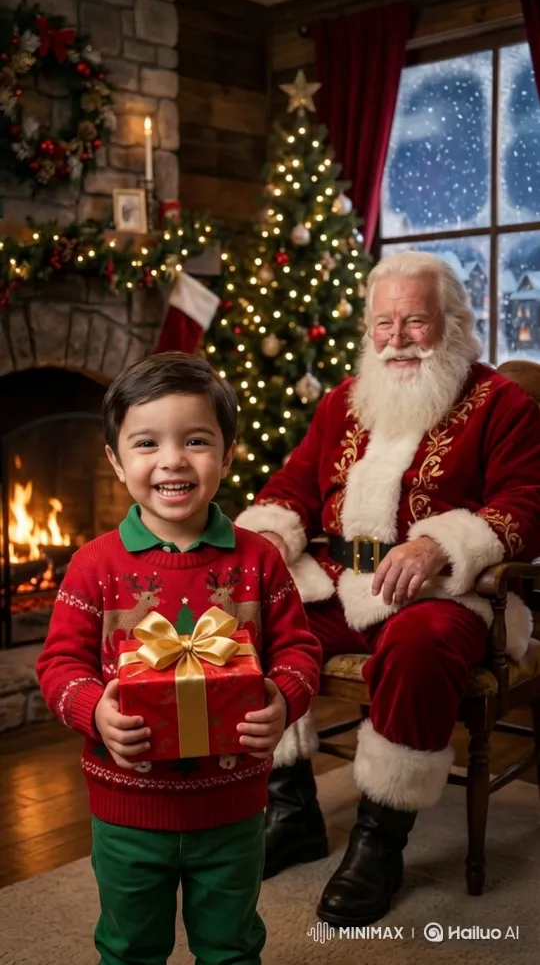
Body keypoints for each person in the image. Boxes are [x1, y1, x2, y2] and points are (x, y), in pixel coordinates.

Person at [235, 250, 540, 928]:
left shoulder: (503, 404)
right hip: (342, 582)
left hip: (450, 595)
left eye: (415, 322)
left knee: (419, 642)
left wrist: (440, 545)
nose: (397, 338)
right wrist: (271, 533)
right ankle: (290, 809)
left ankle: (379, 840)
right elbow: (292, 486)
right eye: (383, 323)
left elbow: (527, 503)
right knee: (251, 618)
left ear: (452, 322)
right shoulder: (343, 402)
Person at [36, 352, 321, 965]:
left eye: (196, 440)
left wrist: (284, 698)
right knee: (129, 946)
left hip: (234, 805)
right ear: (116, 460)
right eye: (147, 443)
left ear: (228, 453)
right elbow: (59, 666)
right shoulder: (94, 565)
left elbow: (300, 649)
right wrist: (94, 710)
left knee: (232, 944)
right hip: (127, 808)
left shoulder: (259, 559)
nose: (172, 460)